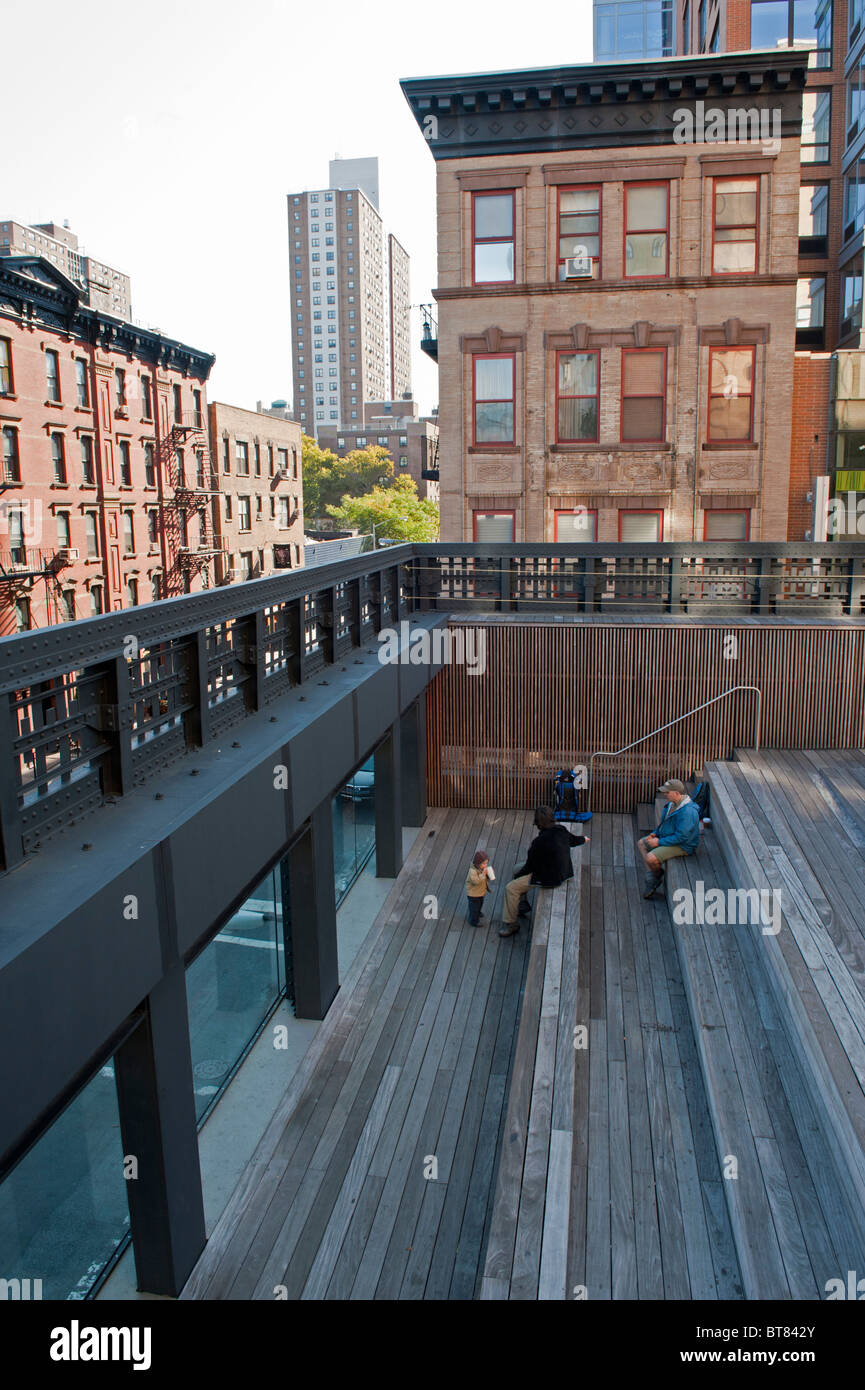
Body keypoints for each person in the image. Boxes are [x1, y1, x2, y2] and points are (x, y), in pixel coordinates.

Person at [498, 806, 589, 937]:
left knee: (511, 888)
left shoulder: (538, 843)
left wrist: (517, 877)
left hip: (549, 877)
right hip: (564, 872)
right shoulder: (561, 830)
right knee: (516, 868)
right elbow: (573, 840)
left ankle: (511, 924)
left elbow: (530, 867)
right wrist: (584, 839)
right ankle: (522, 904)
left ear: (538, 824)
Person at [638, 778, 701, 898]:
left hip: (683, 845)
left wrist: (659, 842)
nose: (665, 794)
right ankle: (654, 874)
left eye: (667, 792)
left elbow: (682, 837)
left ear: (677, 793)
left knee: (650, 858)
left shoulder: (688, 812)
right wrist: (655, 833)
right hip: (670, 837)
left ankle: (654, 878)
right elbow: (664, 824)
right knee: (642, 843)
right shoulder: (672, 804)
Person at [465, 850, 493, 926]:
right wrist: (483, 874)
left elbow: (483, 879)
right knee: (474, 907)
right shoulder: (472, 871)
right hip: (473, 894)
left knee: (480, 903)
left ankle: (478, 912)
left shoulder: (481, 868)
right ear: (478, 863)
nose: (485, 865)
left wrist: (488, 875)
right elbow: (476, 881)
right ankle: (474, 921)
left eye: (486, 863)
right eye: (484, 863)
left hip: (480, 893)